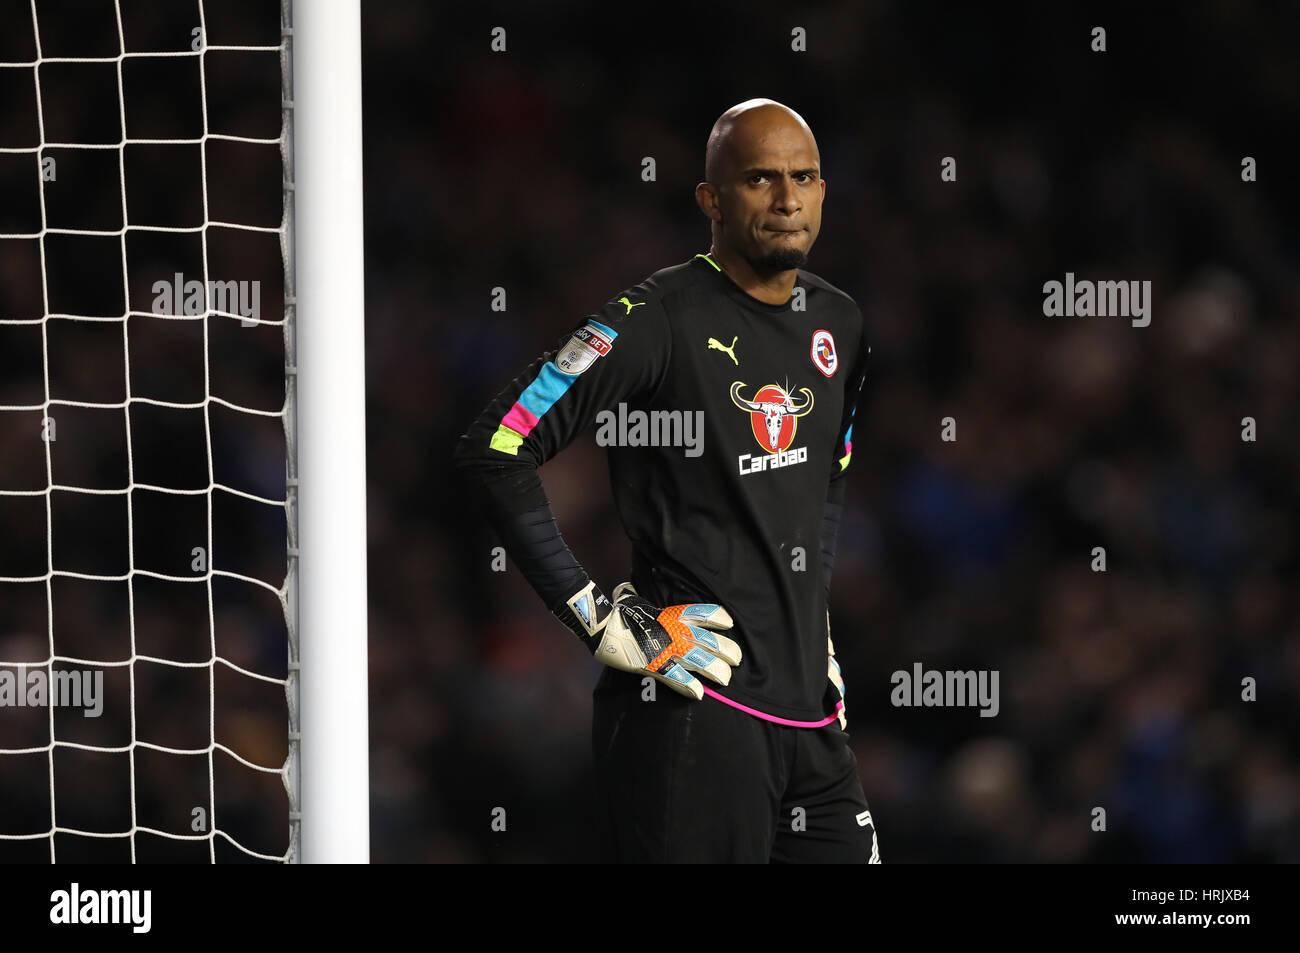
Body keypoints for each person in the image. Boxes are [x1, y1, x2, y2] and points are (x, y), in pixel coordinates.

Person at [453, 98, 879, 863]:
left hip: (812, 723)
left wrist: (811, 626)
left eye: (804, 177)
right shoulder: (655, 319)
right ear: (711, 201)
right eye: (760, 179)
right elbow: (496, 442)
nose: (787, 199)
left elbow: (827, 483)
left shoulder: (840, 323)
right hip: (694, 710)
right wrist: (596, 617)